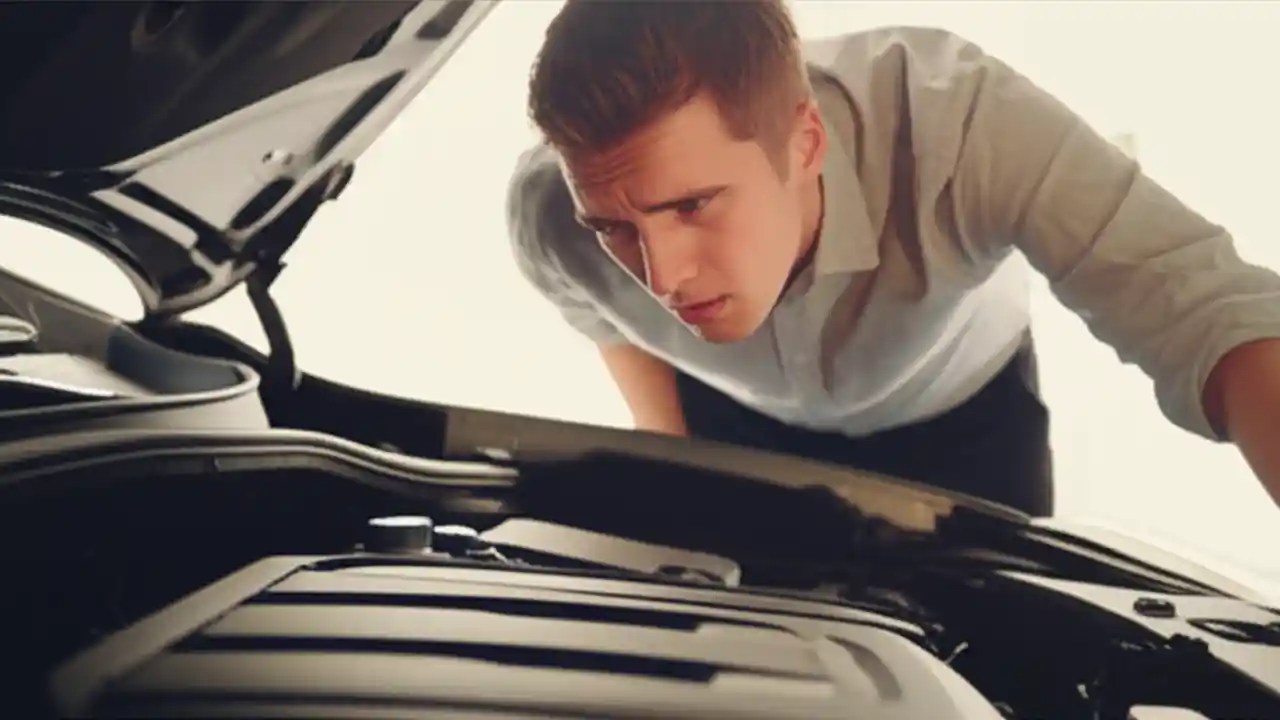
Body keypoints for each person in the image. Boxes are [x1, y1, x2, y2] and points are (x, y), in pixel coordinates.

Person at [504, 0, 1280, 516]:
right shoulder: (552, 210)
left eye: (692, 205)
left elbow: (1202, 309)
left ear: (806, 142)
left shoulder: (965, 124)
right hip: (732, 425)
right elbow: (589, 309)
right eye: (615, 227)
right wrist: (674, 449)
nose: (662, 280)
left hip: (963, 419)